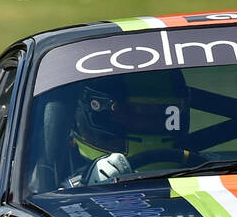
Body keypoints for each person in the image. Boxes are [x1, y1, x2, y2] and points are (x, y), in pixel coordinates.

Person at [64, 70, 193, 186]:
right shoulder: (60, 191)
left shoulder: (208, 168)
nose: (151, 122)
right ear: (98, 114)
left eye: (166, 111)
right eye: (140, 111)